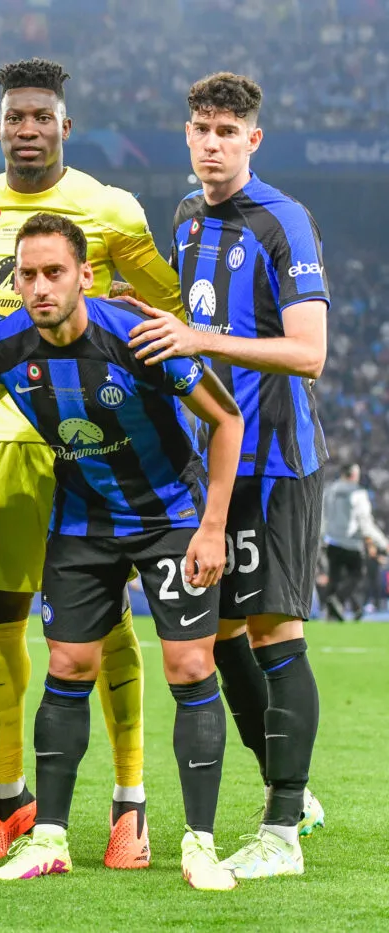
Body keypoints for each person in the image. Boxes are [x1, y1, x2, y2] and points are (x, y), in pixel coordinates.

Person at [0, 213, 242, 891]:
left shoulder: (139, 338)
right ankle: (49, 838)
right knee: (68, 663)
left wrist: (212, 526)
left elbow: (226, 418)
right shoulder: (3, 345)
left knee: (189, 664)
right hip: (82, 521)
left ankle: (200, 844)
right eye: (27, 274)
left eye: (54, 272)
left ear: (85, 275)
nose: (40, 286)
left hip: (168, 515)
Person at [0, 58, 184, 866]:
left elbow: (168, 304)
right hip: (1, 441)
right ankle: (12, 798)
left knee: (105, 623)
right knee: (0, 622)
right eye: (15, 117)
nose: (27, 129)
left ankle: (129, 803)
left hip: (93, 444)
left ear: (64, 125)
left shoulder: (111, 207)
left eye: (41, 117)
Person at [126, 71, 331, 876]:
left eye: (227, 132)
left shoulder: (284, 220)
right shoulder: (184, 218)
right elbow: (190, 322)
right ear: (187, 135)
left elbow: (309, 352)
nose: (212, 144)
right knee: (214, 636)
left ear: (253, 139)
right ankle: (290, 790)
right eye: (202, 130)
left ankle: (282, 831)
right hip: (211, 463)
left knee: (276, 631)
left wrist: (198, 340)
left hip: (276, 461)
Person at [322, 463, 386, 620]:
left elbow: (322, 517)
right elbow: (365, 523)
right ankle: (338, 600)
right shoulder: (358, 493)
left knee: (334, 578)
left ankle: (331, 615)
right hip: (351, 543)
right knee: (357, 574)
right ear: (354, 475)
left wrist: (321, 537)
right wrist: (383, 542)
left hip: (332, 542)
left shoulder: (328, 491)